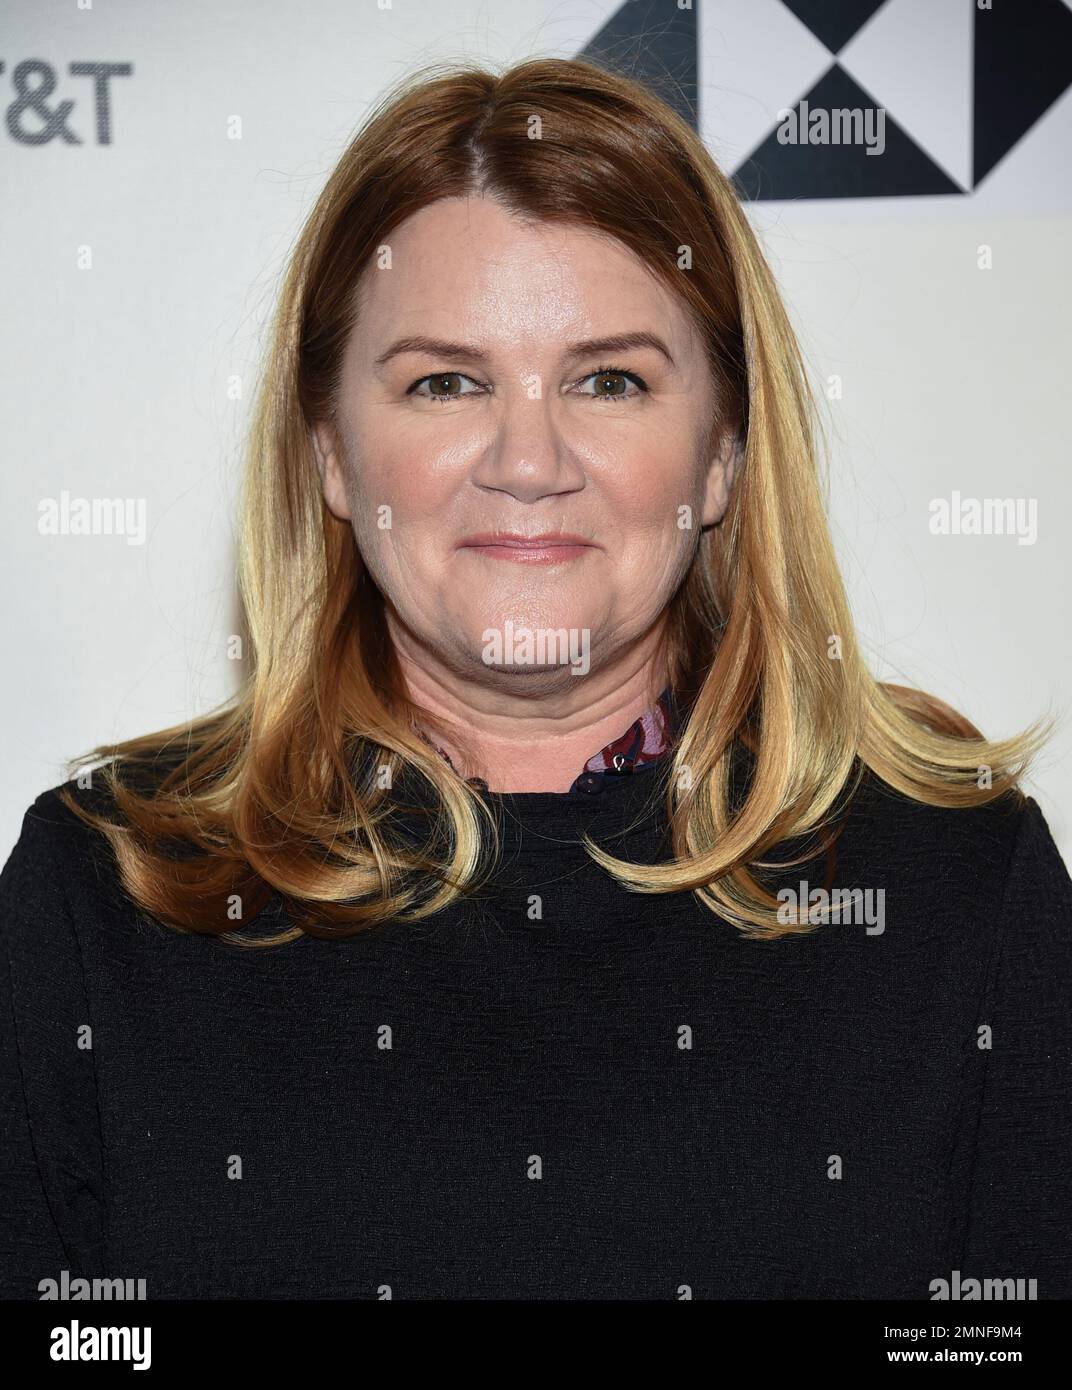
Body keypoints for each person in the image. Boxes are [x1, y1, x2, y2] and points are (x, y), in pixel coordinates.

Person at [2, 56, 1069, 1302]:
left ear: (721, 453)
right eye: (443, 381)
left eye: (608, 379)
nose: (526, 459)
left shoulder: (957, 889)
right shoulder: (113, 889)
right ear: (332, 456)